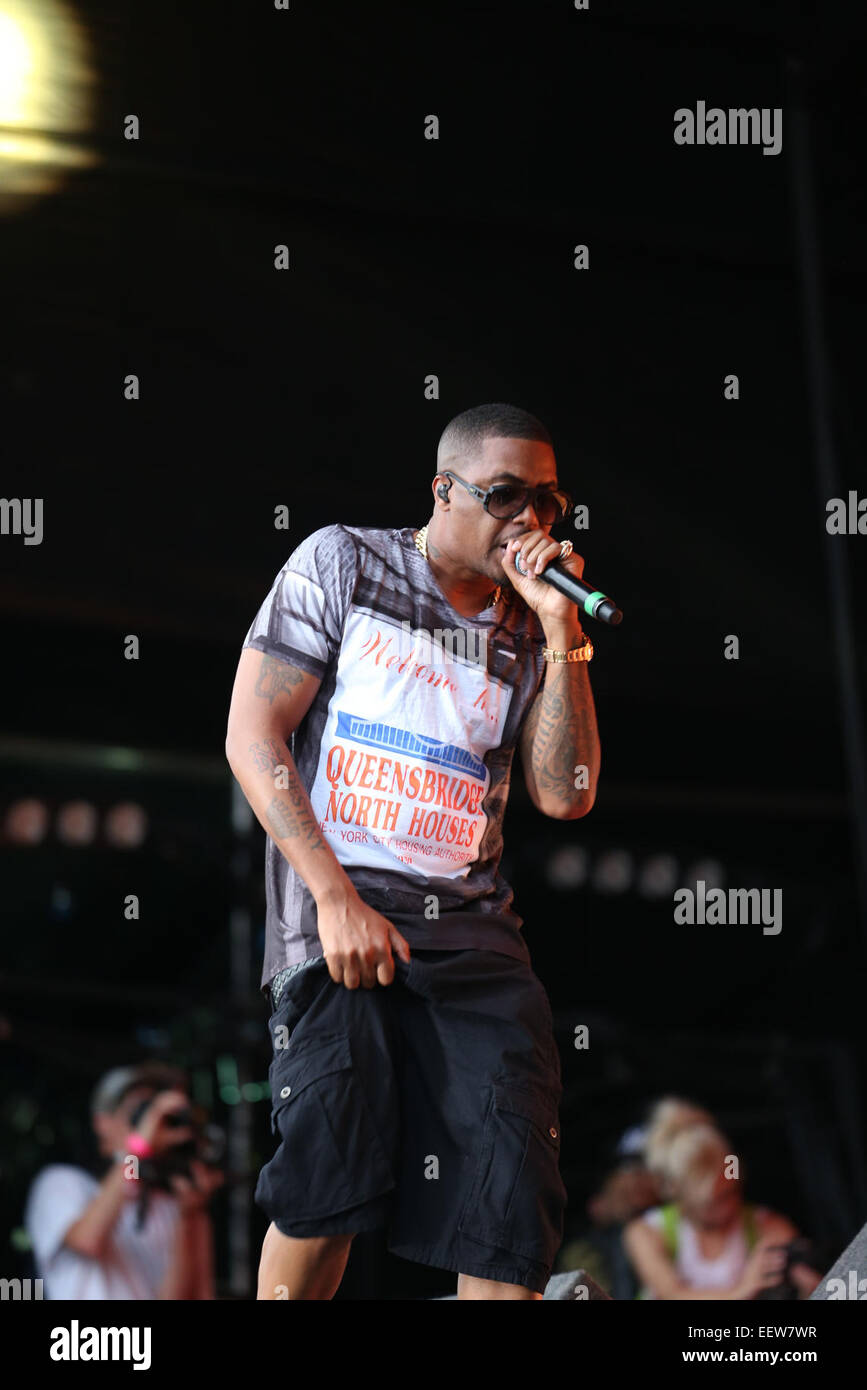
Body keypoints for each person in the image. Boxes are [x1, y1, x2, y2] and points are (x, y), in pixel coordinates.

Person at [225, 402, 602, 1300]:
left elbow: (568, 793)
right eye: (505, 495)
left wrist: (561, 633)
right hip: (343, 912)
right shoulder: (345, 560)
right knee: (330, 1172)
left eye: (548, 503)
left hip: (473, 937)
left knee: (509, 1197)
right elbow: (253, 735)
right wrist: (332, 897)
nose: (530, 522)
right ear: (445, 489)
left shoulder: (528, 624)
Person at [25, 1063, 221, 1299]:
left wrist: (189, 1217)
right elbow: (88, 1240)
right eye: (139, 1111)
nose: (150, 1123)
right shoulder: (61, 1183)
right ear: (102, 1122)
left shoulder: (176, 1201)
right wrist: (140, 1147)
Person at [622, 1101, 822, 1300]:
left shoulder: (767, 1225)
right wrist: (740, 1292)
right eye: (714, 1202)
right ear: (679, 1198)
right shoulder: (647, 1232)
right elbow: (672, 1295)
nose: (729, 1206)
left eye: (731, 1192)